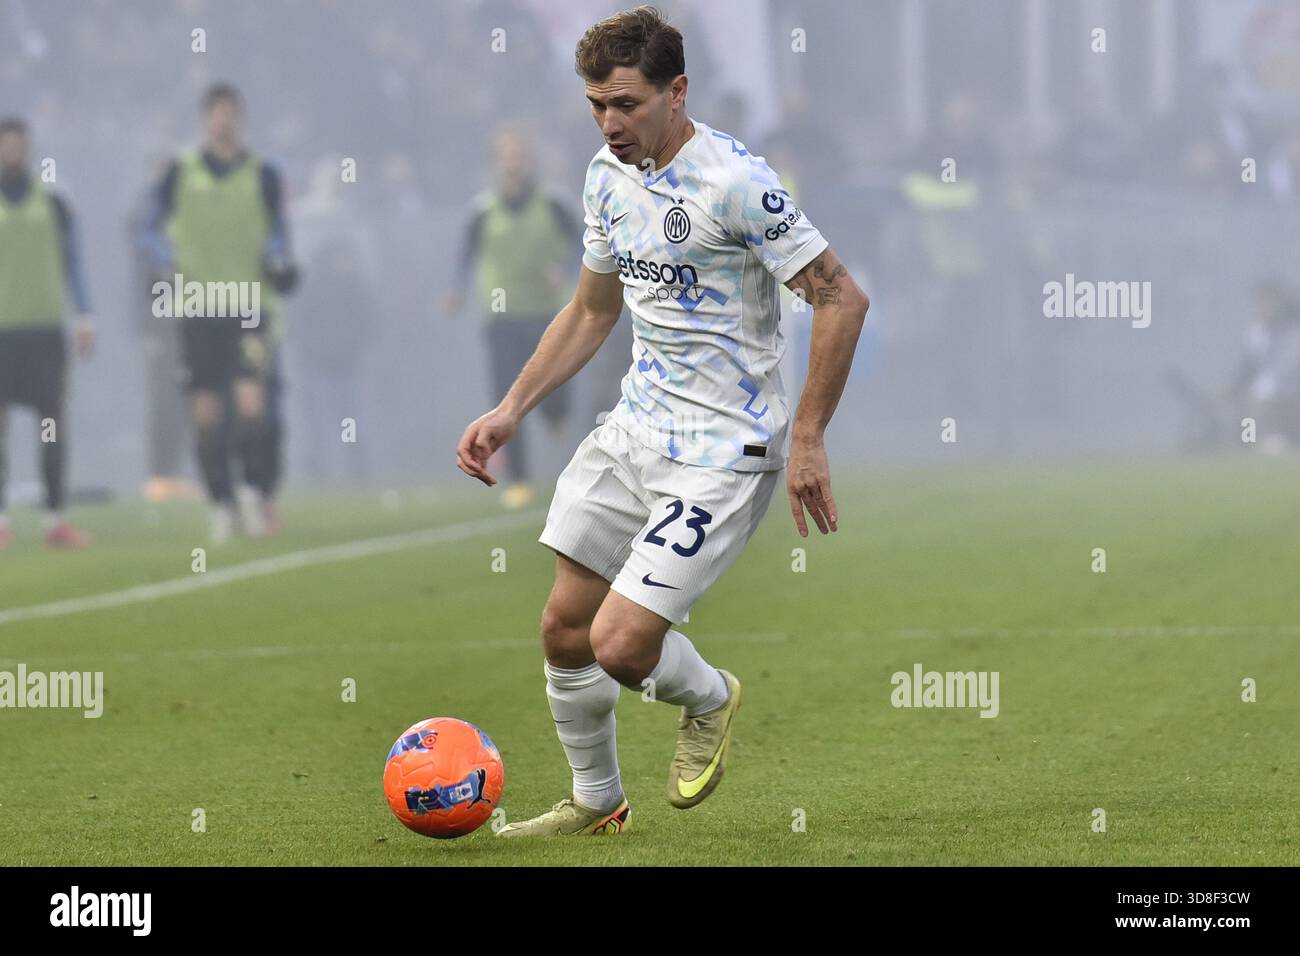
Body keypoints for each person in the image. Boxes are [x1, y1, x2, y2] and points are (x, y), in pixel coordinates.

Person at [455, 6, 869, 836]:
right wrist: (511, 408)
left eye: (627, 104)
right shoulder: (607, 176)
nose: (610, 123)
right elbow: (590, 310)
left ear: (677, 93)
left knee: (620, 645)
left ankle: (711, 697)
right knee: (564, 627)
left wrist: (811, 437)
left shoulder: (739, 183)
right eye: (596, 106)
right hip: (635, 431)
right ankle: (597, 801)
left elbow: (839, 298)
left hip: (723, 449)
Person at [140, 84, 298, 542]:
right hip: (197, 306)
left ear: (241, 119)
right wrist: (162, 261)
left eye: (231, 113)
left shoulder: (263, 173)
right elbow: (147, 227)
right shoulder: (179, 172)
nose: (224, 121)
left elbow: (278, 232)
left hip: (249, 305)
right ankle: (220, 501)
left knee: (253, 404)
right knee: (206, 414)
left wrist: (277, 259)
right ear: (205, 119)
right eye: (217, 113)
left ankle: (252, 493)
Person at [445, 126, 583, 509]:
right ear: (496, 164)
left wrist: (567, 270)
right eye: (506, 157)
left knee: (553, 390)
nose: (513, 164)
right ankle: (518, 479)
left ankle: (557, 413)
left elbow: (585, 244)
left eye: (519, 156)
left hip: (549, 315)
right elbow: (464, 254)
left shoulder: (553, 203)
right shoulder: (482, 210)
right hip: (501, 318)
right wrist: (457, 291)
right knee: (506, 399)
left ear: (530, 161)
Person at [0, 118, 95, 550]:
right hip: (2, 334)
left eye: (18, 144)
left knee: (52, 423)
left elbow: (74, 260)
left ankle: (55, 518)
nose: (12, 151)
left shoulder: (53, 199)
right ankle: (1, 521)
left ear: (28, 148)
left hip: (45, 333)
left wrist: (85, 314)